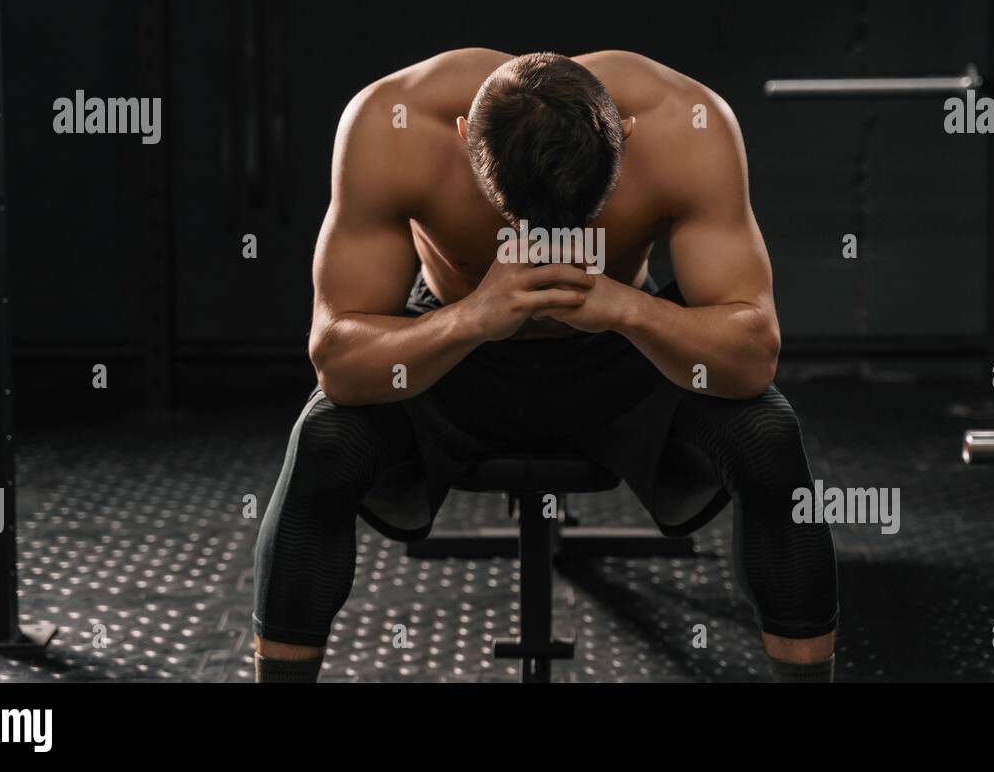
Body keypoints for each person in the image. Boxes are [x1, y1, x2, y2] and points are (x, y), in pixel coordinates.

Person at [251, 48, 838, 681]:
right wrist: (474, 317)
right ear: (461, 139)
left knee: (768, 439)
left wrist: (625, 310)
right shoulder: (393, 122)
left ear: (628, 136)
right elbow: (336, 358)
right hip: (451, 361)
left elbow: (754, 356)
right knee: (324, 441)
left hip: (627, 361)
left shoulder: (683, 121)